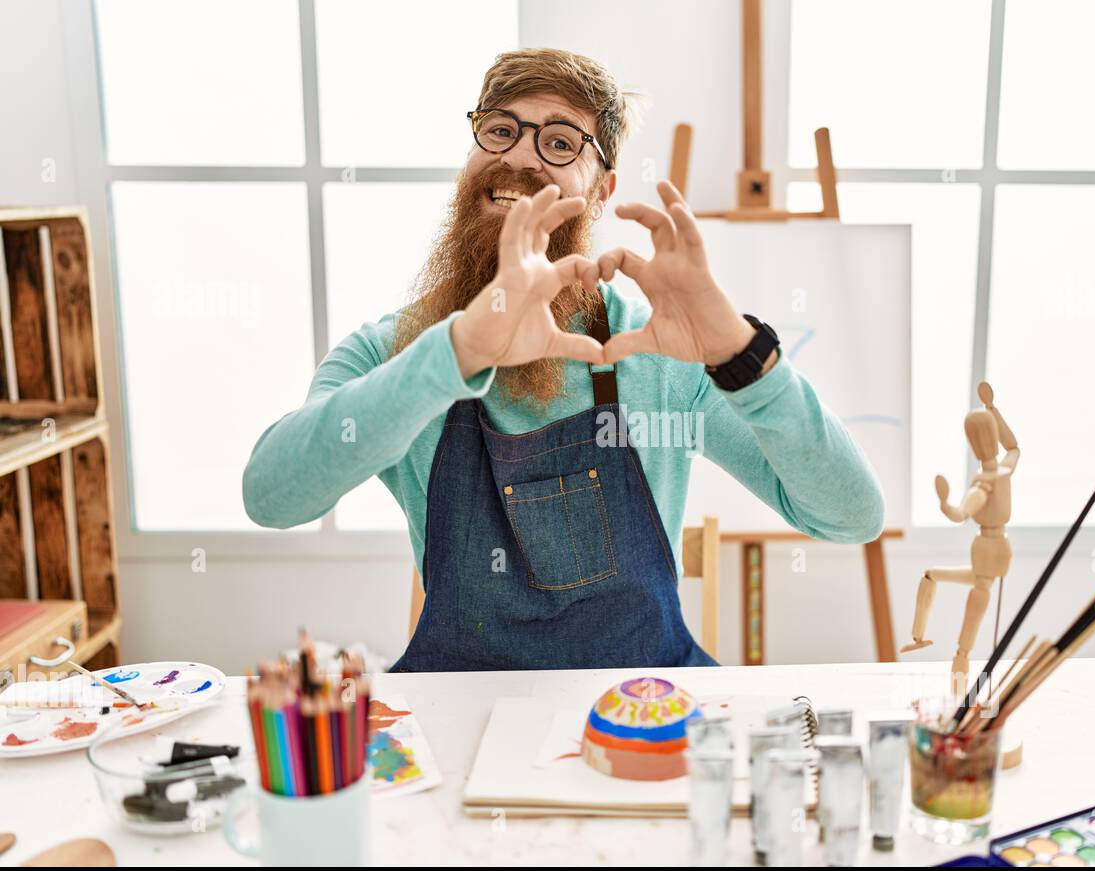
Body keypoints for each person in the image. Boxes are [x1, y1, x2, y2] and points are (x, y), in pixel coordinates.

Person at [243, 48, 885, 672]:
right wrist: (460, 350)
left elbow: (852, 517)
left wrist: (738, 353)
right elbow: (272, 496)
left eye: (559, 142)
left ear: (602, 190)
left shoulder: (656, 351)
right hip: (462, 726)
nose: (519, 155)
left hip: (636, 715)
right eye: (498, 131)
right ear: (470, 159)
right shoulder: (399, 350)